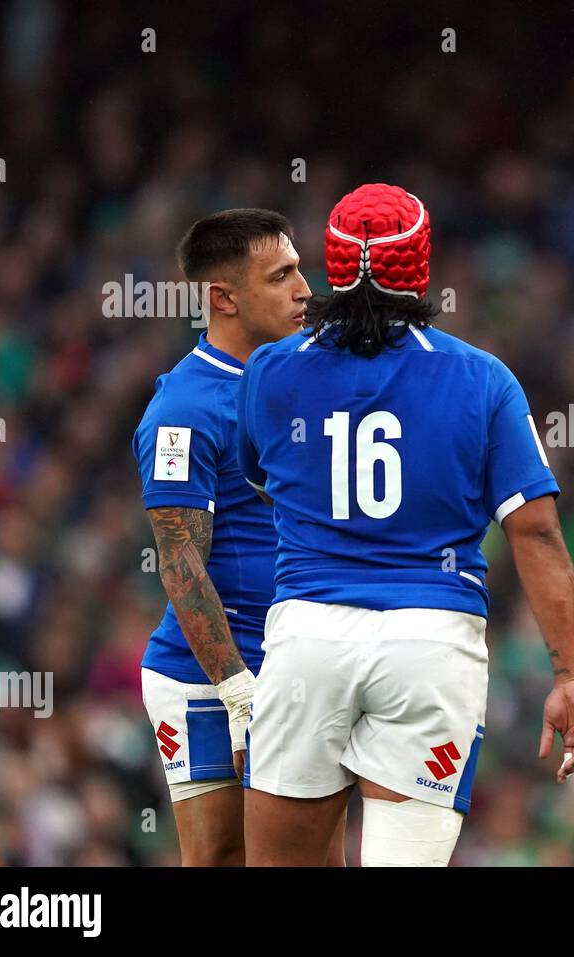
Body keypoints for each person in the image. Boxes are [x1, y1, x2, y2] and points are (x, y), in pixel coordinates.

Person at [236, 183, 574, 867]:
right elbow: (538, 532)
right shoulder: (483, 379)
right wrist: (573, 673)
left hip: (308, 635)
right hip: (431, 643)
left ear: (332, 268)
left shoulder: (272, 370)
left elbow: (263, 480)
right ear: (422, 268)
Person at [134, 209, 341, 864]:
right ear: (223, 297)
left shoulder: (305, 382)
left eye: (300, 270)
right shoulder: (185, 410)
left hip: (300, 666)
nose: (305, 289)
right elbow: (180, 563)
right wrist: (236, 689)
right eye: (281, 276)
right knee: (221, 858)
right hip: (209, 680)